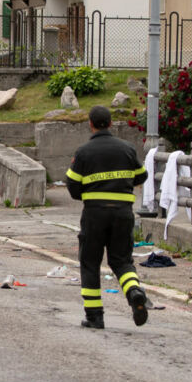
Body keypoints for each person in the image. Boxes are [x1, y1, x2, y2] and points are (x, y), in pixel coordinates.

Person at [65, 105, 150, 330]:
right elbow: (142, 175)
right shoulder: (127, 149)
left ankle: (95, 317)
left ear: (90, 124)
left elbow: (72, 185)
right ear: (111, 124)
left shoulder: (84, 152)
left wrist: (89, 193)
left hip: (94, 214)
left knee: (90, 262)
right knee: (121, 261)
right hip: (123, 214)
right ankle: (134, 291)